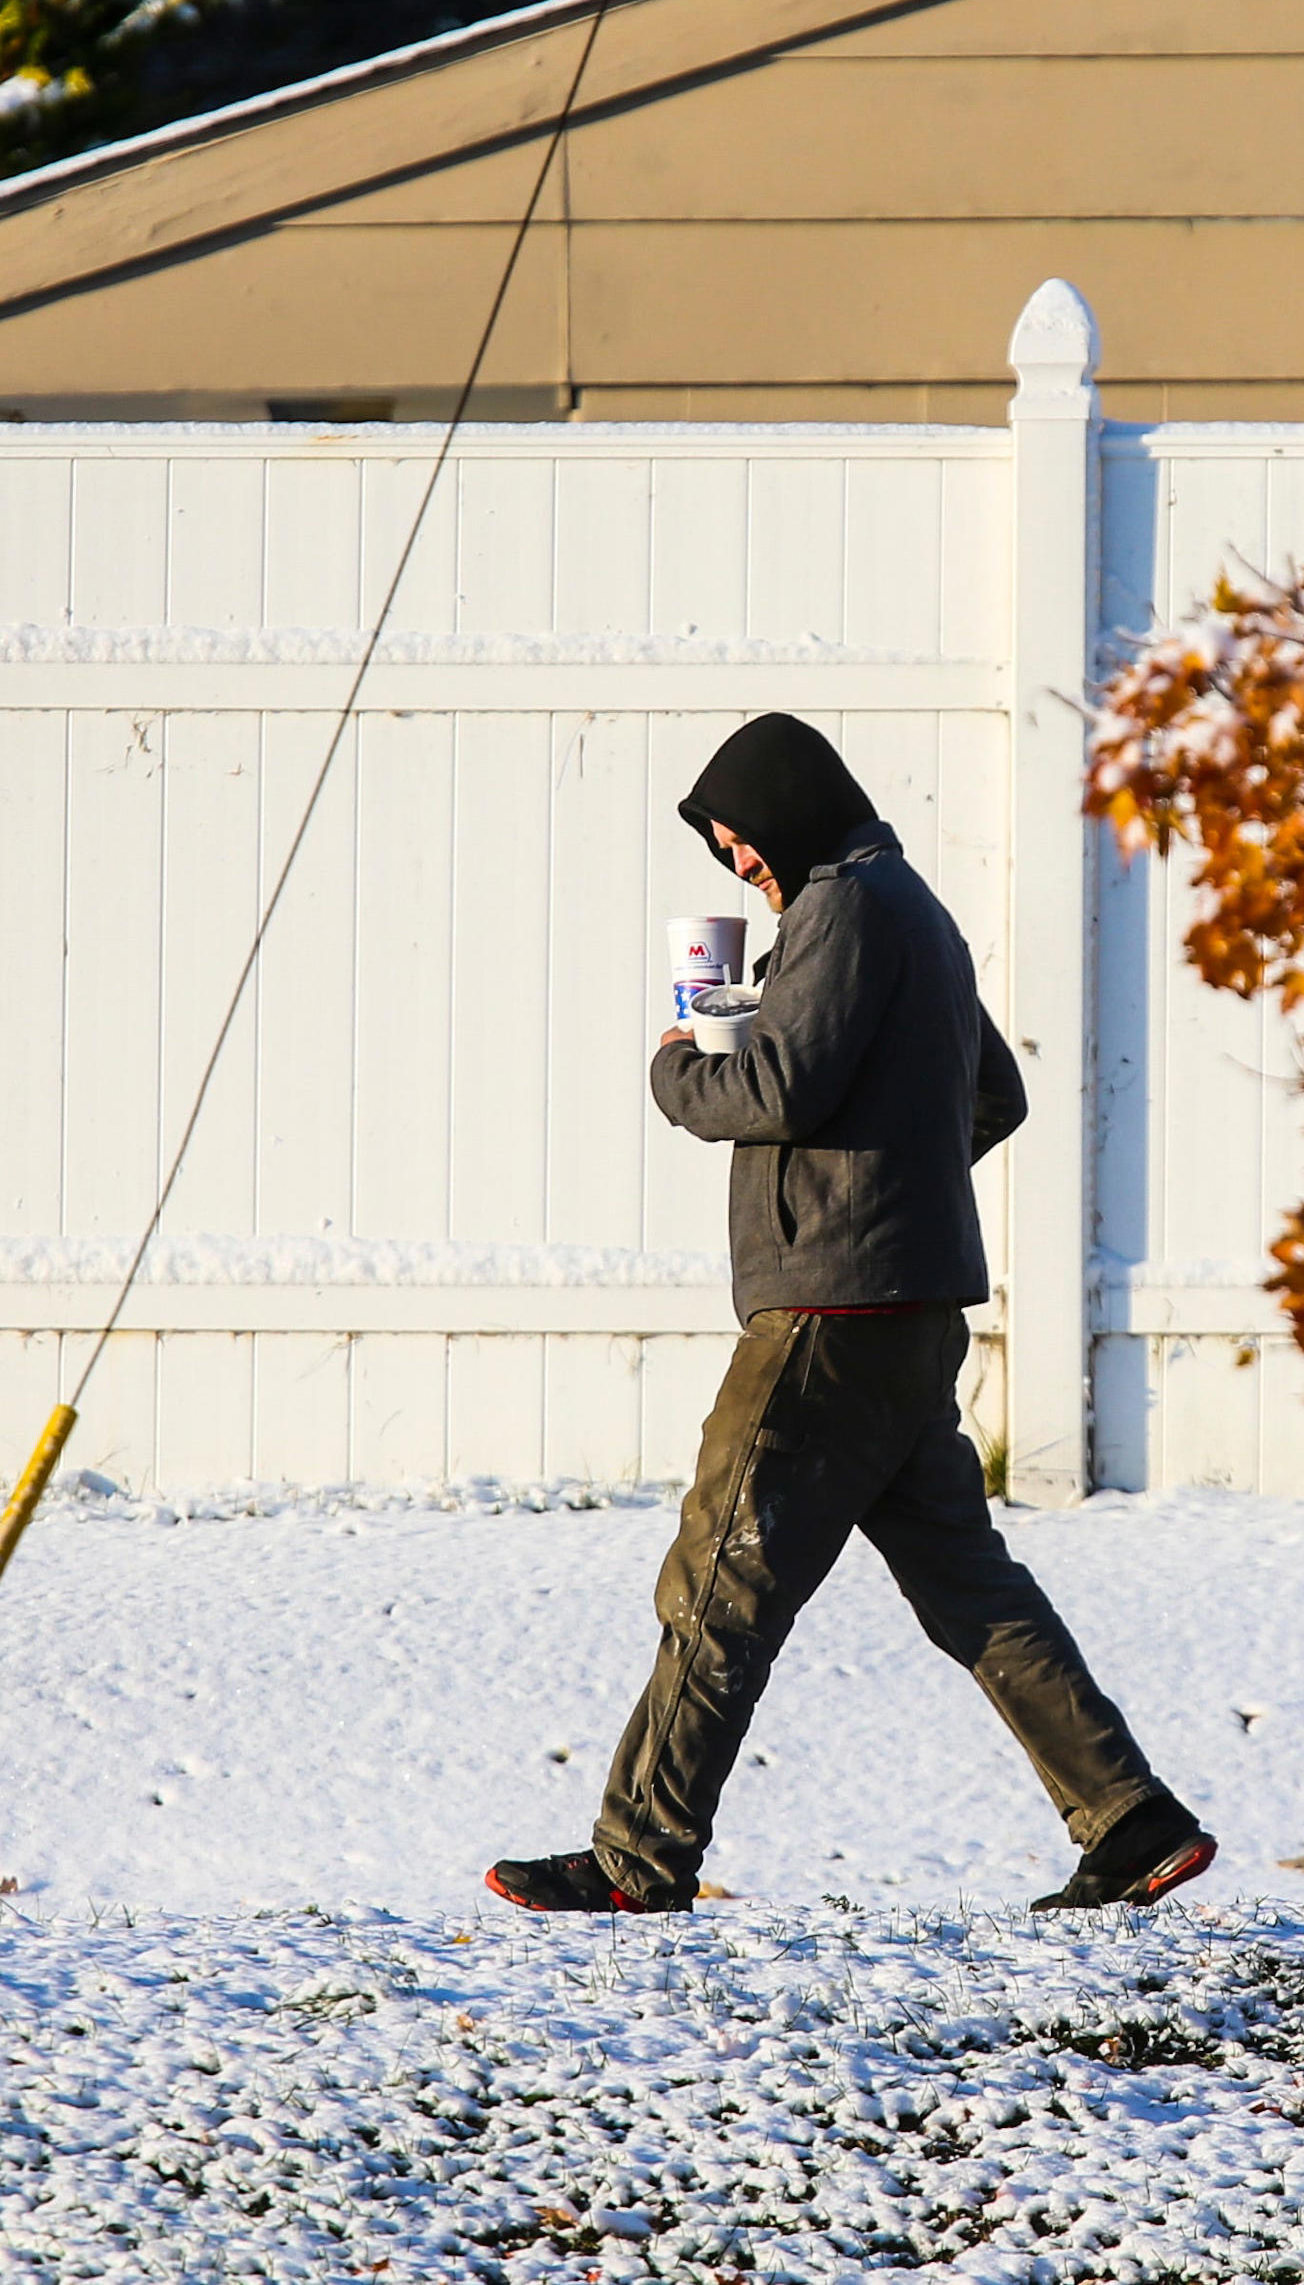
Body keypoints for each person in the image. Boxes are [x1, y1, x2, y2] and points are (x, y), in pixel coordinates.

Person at [486, 712, 1216, 1917]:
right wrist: (900, 1186)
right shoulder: (912, 911)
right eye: (722, 852)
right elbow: (995, 1092)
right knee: (968, 1584)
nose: (739, 866)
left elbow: (778, 1083)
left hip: (823, 1313)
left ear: (788, 808)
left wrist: (677, 1065)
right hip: (906, 1305)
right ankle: (1132, 1818)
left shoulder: (841, 908)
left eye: (741, 840)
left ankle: (634, 1857)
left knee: (719, 1580)